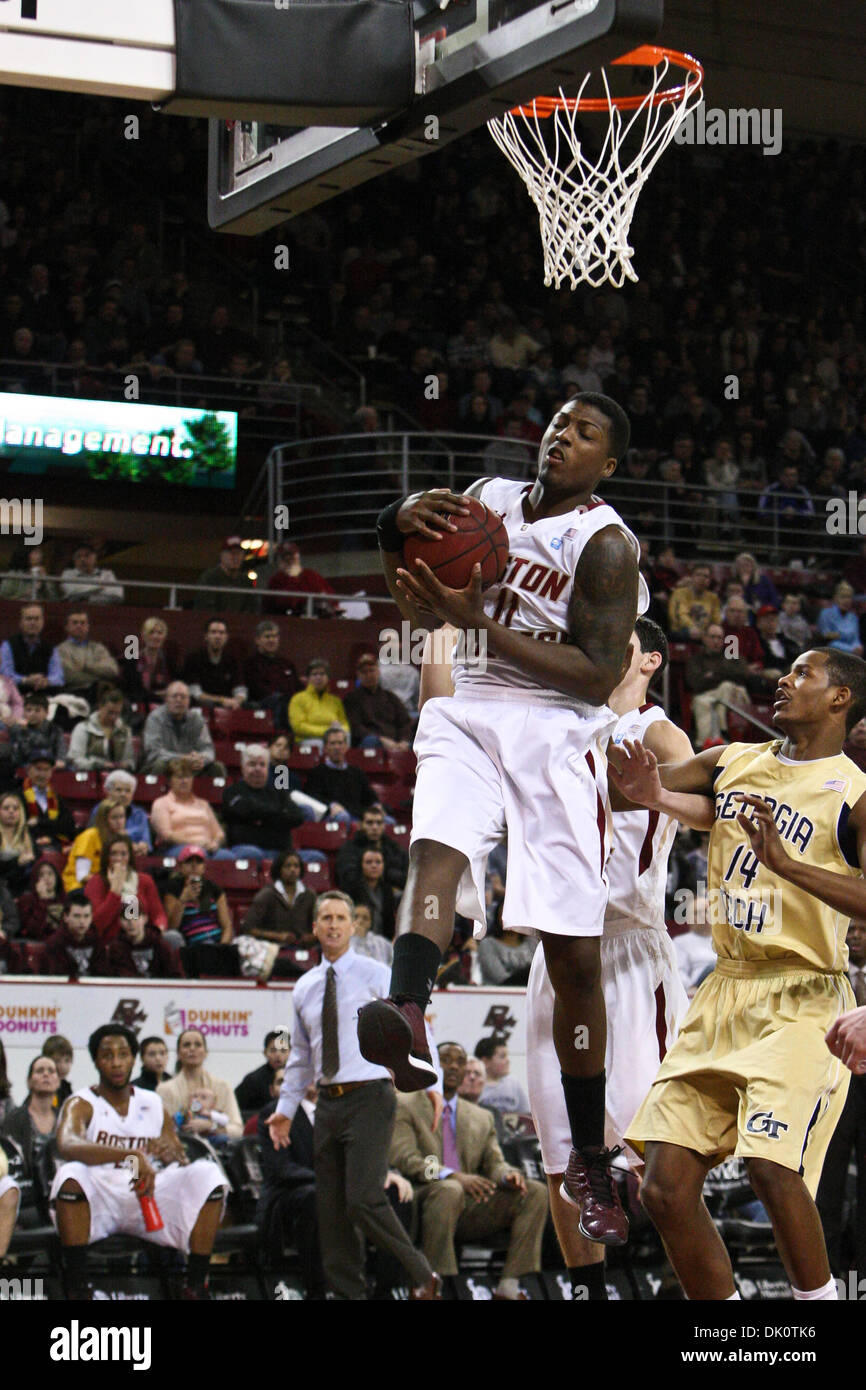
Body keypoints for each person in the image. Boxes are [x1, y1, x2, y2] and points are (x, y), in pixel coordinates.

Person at [358, 393, 645, 1246]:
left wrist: (476, 621)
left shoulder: (605, 544)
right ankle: (408, 1005)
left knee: (573, 955)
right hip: (473, 705)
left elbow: (597, 677)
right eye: (559, 423)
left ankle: (591, 1154)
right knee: (435, 850)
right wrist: (390, 526)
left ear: (608, 465)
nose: (564, 437)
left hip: (557, 731)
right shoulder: (484, 502)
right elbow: (417, 607)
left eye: (585, 433)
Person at [608, 646, 866, 1300]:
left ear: (840, 698)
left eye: (803, 673)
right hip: (724, 990)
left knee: (771, 1167)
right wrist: (653, 794)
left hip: (806, 996)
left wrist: (788, 864)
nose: (784, 679)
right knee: (662, 1189)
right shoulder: (733, 759)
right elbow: (681, 797)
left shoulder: (854, 794)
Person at [266, 891, 440, 1300]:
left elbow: (417, 1025)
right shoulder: (304, 987)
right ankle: (349, 1296)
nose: (332, 924)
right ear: (314, 927)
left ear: (353, 925)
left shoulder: (376, 973)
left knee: (363, 1198)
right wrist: (285, 1110)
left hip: (371, 1096)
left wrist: (434, 1083)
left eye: (340, 917)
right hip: (327, 1102)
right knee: (332, 1216)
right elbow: (301, 1058)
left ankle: (422, 1274)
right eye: (324, 917)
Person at [52, 1023, 228, 1299]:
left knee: (208, 1174)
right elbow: (67, 1144)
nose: (116, 1062)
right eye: (107, 1055)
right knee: (70, 1174)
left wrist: (169, 1151)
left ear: (133, 1059)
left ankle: (195, 1286)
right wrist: (129, 1155)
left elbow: (177, 1154)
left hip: (147, 1190)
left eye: (123, 1054)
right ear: (96, 1061)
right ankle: (77, 1289)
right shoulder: (81, 1102)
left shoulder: (152, 1102)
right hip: (101, 1193)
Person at [390, 1041, 548, 1298]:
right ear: (432, 1064)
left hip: (471, 1205)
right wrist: (452, 1175)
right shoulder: (406, 1104)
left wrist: (507, 1174)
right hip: (425, 1197)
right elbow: (408, 1160)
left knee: (535, 1192)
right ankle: (432, 1283)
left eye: (460, 1061)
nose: (453, 1066)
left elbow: (494, 1163)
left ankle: (509, 1285)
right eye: (445, 1059)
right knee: (450, 1190)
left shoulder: (480, 1116)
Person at [816, 918, 866, 1278]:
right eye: (853, 931)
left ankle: (861, 1275)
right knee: (826, 1178)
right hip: (835, 1079)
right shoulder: (826, 970)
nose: (858, 936)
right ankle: (825, 1273)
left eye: (864, 930)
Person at [256, 1077, 326, 1295]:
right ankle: (316, 1289)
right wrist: (327, 1181)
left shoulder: (335, 1111)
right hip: (287, 1194)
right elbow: (281, 1168)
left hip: (329, 1188)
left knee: (379, 1194)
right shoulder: (276, 1112)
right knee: (316, 1197)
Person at [162, 846, 238, 977]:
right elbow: (172, 926)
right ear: (180, 867)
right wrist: (183, 900)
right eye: (188, 862)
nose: (194, 866)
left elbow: (227, 926)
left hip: (217, 943)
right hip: (191, 948)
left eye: (198, 862)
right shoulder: (173, 888)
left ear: (204, 867)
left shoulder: (213, 889)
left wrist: (222, 947)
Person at [219, 744, 303, 859]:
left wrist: (259, 817)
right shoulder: (232, 792)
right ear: (243, 768)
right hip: (246, 849)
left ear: (267, 769)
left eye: (262, 765)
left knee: (315, 857)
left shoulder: (278, 792)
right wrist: (277, 815)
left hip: (280, 851)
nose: (257, 768)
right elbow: (242, 810)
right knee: (253, 854)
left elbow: (298, 817)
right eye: (252, 764)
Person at [157, 1028, 243, 1140]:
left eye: (198, 1045)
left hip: (217, 1152)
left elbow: (237, 1130)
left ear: (206, 1053)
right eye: (186, 1045)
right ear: (178, 1053)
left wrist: (211, 1126)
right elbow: (159, 1130)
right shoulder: (165, 1089)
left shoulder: (222, 1087)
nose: (192, 1049)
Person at [84, 833, 167, 941]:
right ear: (106, 856)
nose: (118, 859)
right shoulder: (96, 882)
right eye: (113, 854)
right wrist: (115, 890)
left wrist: (159, 928)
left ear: (130, 856)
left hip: (142, 938)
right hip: (111, 941)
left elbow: (158, 914)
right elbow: (96, 925)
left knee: (172, 937)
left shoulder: (144, 880)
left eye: (123, 854)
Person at [1, 1054, 59, 1207]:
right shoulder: (14, 1119)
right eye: (40, 1071)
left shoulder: (64, 1118)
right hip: (26, 1192)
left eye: (51, 1071)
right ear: (29, 1082)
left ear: (58, 1081)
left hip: (59, 1190)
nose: (46, 1074)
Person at [241, 849, 318, 964]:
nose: (293, 870)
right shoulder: (266, 895)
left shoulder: (310, 895)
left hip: (304, 950)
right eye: (288, 866)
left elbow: (319, 924)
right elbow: (248, 928)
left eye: (296, 866)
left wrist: (312, 936)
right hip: (272, 950)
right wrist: (277, 936)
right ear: (279, 870)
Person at [141, 681, 226, 778]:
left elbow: (208, 749)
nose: (178, 700)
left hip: (190, 767)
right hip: (166, 764)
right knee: (159, 764)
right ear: (166, 699)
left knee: (217, 767)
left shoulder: (197, 719)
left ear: (189, 701)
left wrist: (201, 759)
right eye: (174, 696)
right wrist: (182, 759)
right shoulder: (155, 718)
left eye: (183, 697)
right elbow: (153, 752)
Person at [685, 624, 751, 746]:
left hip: (733, 694)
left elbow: (743, 674)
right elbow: (695, 683)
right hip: (707, 695)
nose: (716, 641)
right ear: (704, 638)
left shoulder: (731, 655)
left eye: (720, 638)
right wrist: (725, 674)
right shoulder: (697, 659)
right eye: (712, 637)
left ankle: (718, 733)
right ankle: (706, 743)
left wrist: (713, 675)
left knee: (727, 686)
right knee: (703, 701)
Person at [150, 757, 226, 854]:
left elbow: (219, 833)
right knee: (196, 855)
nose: (184, 781)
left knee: (227, 856)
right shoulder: (161, 803)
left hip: (208, 848)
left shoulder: (203, 804)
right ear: (169, 781)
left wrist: (215, 843)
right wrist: (196, 844)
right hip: (177, 848)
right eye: (179, 777)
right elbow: (167, 835)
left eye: (188, 777)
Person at [303, 725, 377, 825]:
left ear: (346, 747)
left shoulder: (357, 773)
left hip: (357, 816)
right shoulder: (317, 772)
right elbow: (313, 797)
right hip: (332, 816)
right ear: (325, 748)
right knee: (343, 817)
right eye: (333, 743)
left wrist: (377, 806)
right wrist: (332, 805)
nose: (337, 747)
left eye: (340, 743)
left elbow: (370, 797)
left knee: (388, 821)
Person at [343, 653, 411, 752]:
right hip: (370, 742)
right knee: (371, 741)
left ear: (378, 672)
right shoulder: (352, 699)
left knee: (415, 746)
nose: (369, 675)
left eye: (371, 670)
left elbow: (404, 722)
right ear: (358, 675)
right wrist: (381, 739)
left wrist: (404, 741)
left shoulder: (390, 697)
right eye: (364, 672)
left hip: (396, 742)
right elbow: (355, 727)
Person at [335, 804, 408, 892]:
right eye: (370, 822)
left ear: (384, 825)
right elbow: (348, 880)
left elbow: (408, 877)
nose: (375, 827)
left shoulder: (394, 848)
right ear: (360, 825)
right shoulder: (349, 849)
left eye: (379, 823)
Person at [62, 797, 126, 891]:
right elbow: (82, 876)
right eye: (114, 818)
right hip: (78, 887)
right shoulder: (88, 837)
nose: (119, 822)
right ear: (103, 819)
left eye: (122, 816)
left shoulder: (121, 839)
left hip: (105, 885)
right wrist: (109, 881)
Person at [182, 619, 248, 711]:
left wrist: (237, 700)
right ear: (206, 636)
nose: (218, 636)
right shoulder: (194, 658)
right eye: (213, 632)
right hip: (202, 706)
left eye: (221, 633)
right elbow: (195, 693)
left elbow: (240, 688)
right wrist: (222, 700)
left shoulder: (233, 659)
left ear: (226, 637)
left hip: (230, 706)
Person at [55, 610, 120, 704]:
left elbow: (113, 670)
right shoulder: (61, 650)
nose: (79, 626)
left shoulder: (98, 648)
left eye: (83, 623)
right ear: (67, 627)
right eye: (75, 623)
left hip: (100, 693)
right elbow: (69, 677)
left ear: (88, 627)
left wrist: (86, 667)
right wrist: (99, 676)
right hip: (74, 694)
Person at [67, 685, 135, 771]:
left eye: (117, 713)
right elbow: (75, 760)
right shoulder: (83, 728)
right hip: (91, 774)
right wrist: (98, 765)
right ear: (100, 707)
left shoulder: (125, 731)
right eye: (110, 713)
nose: (113, 717)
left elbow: (129, 760)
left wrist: (126, 765)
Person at [264, 541, 341, 618]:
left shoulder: (311, 575)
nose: (288, 559)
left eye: (291, 555)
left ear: (297, 556)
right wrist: (292, 578)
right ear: (280, 559)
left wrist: (331, 605)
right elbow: (276, 604)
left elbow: (329, 596)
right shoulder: (276, 579)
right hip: (289, 618)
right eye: (285, 556)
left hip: (317, 617)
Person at [0, 603, 64, 694]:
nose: (33, 623)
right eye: (28, 619)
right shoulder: (8, 645)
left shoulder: (50, 647)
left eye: (37, 619)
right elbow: (5, 675)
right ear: (21, 623)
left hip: (44, 696)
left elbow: (59, 677)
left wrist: (46, 681)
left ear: (42, 622)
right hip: (15, 695)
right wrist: (25, 680)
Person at [242, 620, 299, 723]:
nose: (272, 640)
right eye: (267, 637)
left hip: (291, 704)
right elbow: (257, 691)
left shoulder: (287, 664)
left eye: (275, 637)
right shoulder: (250, 664)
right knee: (280, 700)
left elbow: (298, 687)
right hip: (263, 707)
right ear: (257, 640)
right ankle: (280, 734)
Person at [20, 752, 76, 850]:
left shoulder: (57, 798)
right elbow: (21, 825)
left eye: (47, 770)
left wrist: (39, 822)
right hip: (26, 847)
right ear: (28, 770)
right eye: (38, 769)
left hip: (55, 845)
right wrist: (51, 824)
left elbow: (68, 825)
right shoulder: (18, 796)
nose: (42, 774)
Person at [43, 891, 106, 978]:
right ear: (66, 917)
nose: (82, 921)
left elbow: (104, 976)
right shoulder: (55, 943)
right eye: (77, 916)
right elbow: (56, 978)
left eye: (86, 916)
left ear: (92, 917)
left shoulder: (96, 941)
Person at [288, 660, 349, 747]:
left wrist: (341, 730)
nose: (319, 677)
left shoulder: (336, 700)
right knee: (319, 744)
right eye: (314, 674)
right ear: (308, 678)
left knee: (346, 736)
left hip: (334, 737)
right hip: (308, 739)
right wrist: (327, 732)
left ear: (328, 678)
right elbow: (298, 727)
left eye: (322, 674)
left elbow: (344, 723)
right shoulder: (298, 699)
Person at [89, 770, 151, 854]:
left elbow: (146, 842)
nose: (123, 794)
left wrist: (143, 846)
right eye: (118, 790)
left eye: (128, 791)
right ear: (108, 792)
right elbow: (98, 839)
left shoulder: (140, 814)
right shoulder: (100, 810)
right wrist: (128, 846)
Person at [121, 616, 176, 705]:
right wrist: (155, 694)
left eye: (160, 633)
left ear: (164, 637)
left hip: (163, 706)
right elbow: (130, 691)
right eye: (151, 632)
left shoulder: (169, 661)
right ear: (143, 636)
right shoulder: (132, 660)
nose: (156, 636)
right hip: (137, 705)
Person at [235, 1030, 291, 1118]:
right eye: (273, 1050)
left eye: (283, 1050)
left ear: (291, 1052)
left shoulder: (299, 1077)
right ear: (265, 1053)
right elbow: (235, 1108)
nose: (278, 1055)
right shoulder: (253, 1080)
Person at [193, 536, 257, 613]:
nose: (236, 557)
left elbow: (251, 607)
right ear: (222, 555)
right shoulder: (209, 578)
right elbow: (204, 607)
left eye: (239, 553)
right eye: (232, 553)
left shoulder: (245, 581)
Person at [9, 692, 66, 770]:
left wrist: (60, 761)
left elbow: (61, 753)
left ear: (46, 713)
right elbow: (19, 756)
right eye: (28, 710)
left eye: (37, 710)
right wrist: (24, 732)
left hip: (50, 766)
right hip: (24, 766)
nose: (32, 714)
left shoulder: (55, 729)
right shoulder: (17, 729)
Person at [667, 562, 722, 641]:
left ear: (709, 581)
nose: (702, 579)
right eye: (698, 575)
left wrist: (709, 631)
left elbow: (716, 619)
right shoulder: (680, 593)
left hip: (705, 634)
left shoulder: (713, 598)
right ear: (692, 577)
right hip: (682, 632)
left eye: (706, 576)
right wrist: (692, 628)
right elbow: (680, 615)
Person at [475, 1038, 530, 1115]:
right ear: (485, 1062)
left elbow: (526, 1114)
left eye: (507, 1056)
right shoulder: (474, 1085)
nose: (507, 1061)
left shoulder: (513, 1083)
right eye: (502, 1057)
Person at [60, 541, 124, 605]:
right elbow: (72, 594)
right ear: (74, 560)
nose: (82, 559)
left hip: (102, 611)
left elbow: (118, 596)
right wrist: (99, 589)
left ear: (95, 558)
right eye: (78, 556)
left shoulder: (107, 574)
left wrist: (87, 597)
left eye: (87, 555)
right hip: (76, 610)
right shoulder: (68, 574)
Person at [18, 860, 65, 940]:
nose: (46, 878)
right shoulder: (26, 900)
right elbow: (32, 930)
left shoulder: (65, 899)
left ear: (56, 877)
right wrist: (43, 900)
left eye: (50, 873)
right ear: (35, 879)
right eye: (41, 875)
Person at [816, 581, 863, 657]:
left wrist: (858, 647)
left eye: (849, 597)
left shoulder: (853, 617)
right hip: (832, 653)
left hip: (853, 654)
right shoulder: (826, 614)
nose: (846, 600)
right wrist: (851, 649)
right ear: (835, 598)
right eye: (843, 597)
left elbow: (856, 638)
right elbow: (827, 639)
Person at [0, 791, 35, 891]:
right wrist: (17, 862)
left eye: (15, 808)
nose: (11, 811)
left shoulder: (27, 835)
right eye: (6, 808)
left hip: (21, 885)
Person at [350, 901, 392, 966]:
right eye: (356, 917)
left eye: (365, 918)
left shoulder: (381, 942)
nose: (360, 921)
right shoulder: (342, 941)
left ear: (370, 923)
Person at [42, 1035, 75, 1106]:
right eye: (57, 1061)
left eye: (67, 1060)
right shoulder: (42, 1089)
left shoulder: (66, 1088)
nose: (63, 1066)